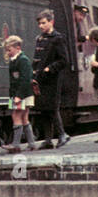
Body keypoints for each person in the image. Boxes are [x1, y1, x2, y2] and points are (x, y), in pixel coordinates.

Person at [32, 9, 70, 149]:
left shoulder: (58, 38)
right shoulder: (40, 39)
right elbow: (37, 60)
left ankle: (62, 135)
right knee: (43, 109)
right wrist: (34, 75)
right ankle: (48, 139)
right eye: (39, 24)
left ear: (51, 22)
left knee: (52, 108)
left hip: (53, 79)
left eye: (43, 23)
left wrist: (50, 68)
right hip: (41, 79)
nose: (41, 26)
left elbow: (64, 60)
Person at [2, 35, 37, 153]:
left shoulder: (22, 60)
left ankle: (16, 144)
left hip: (22, 93)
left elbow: (25, 79)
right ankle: (31, 143)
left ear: (17, 47)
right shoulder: (17, 60)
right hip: (22, 93)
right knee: (24, 117)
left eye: (9, 50)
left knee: (16, 116)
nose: (8, 52)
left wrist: (18, 96)